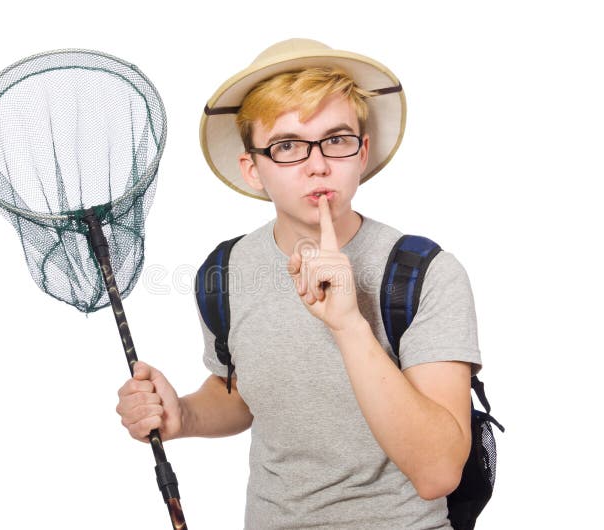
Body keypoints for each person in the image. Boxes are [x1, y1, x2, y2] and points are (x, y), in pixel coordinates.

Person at [116, 38, 482, 529]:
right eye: (287, 146)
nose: (317, 164)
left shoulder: (422, 272)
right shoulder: (223, 271)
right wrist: (182, 414)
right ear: (253, 170)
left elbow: (437, 472)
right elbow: (243, 392)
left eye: (336, 140)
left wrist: (349, 324)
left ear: (362, 153)